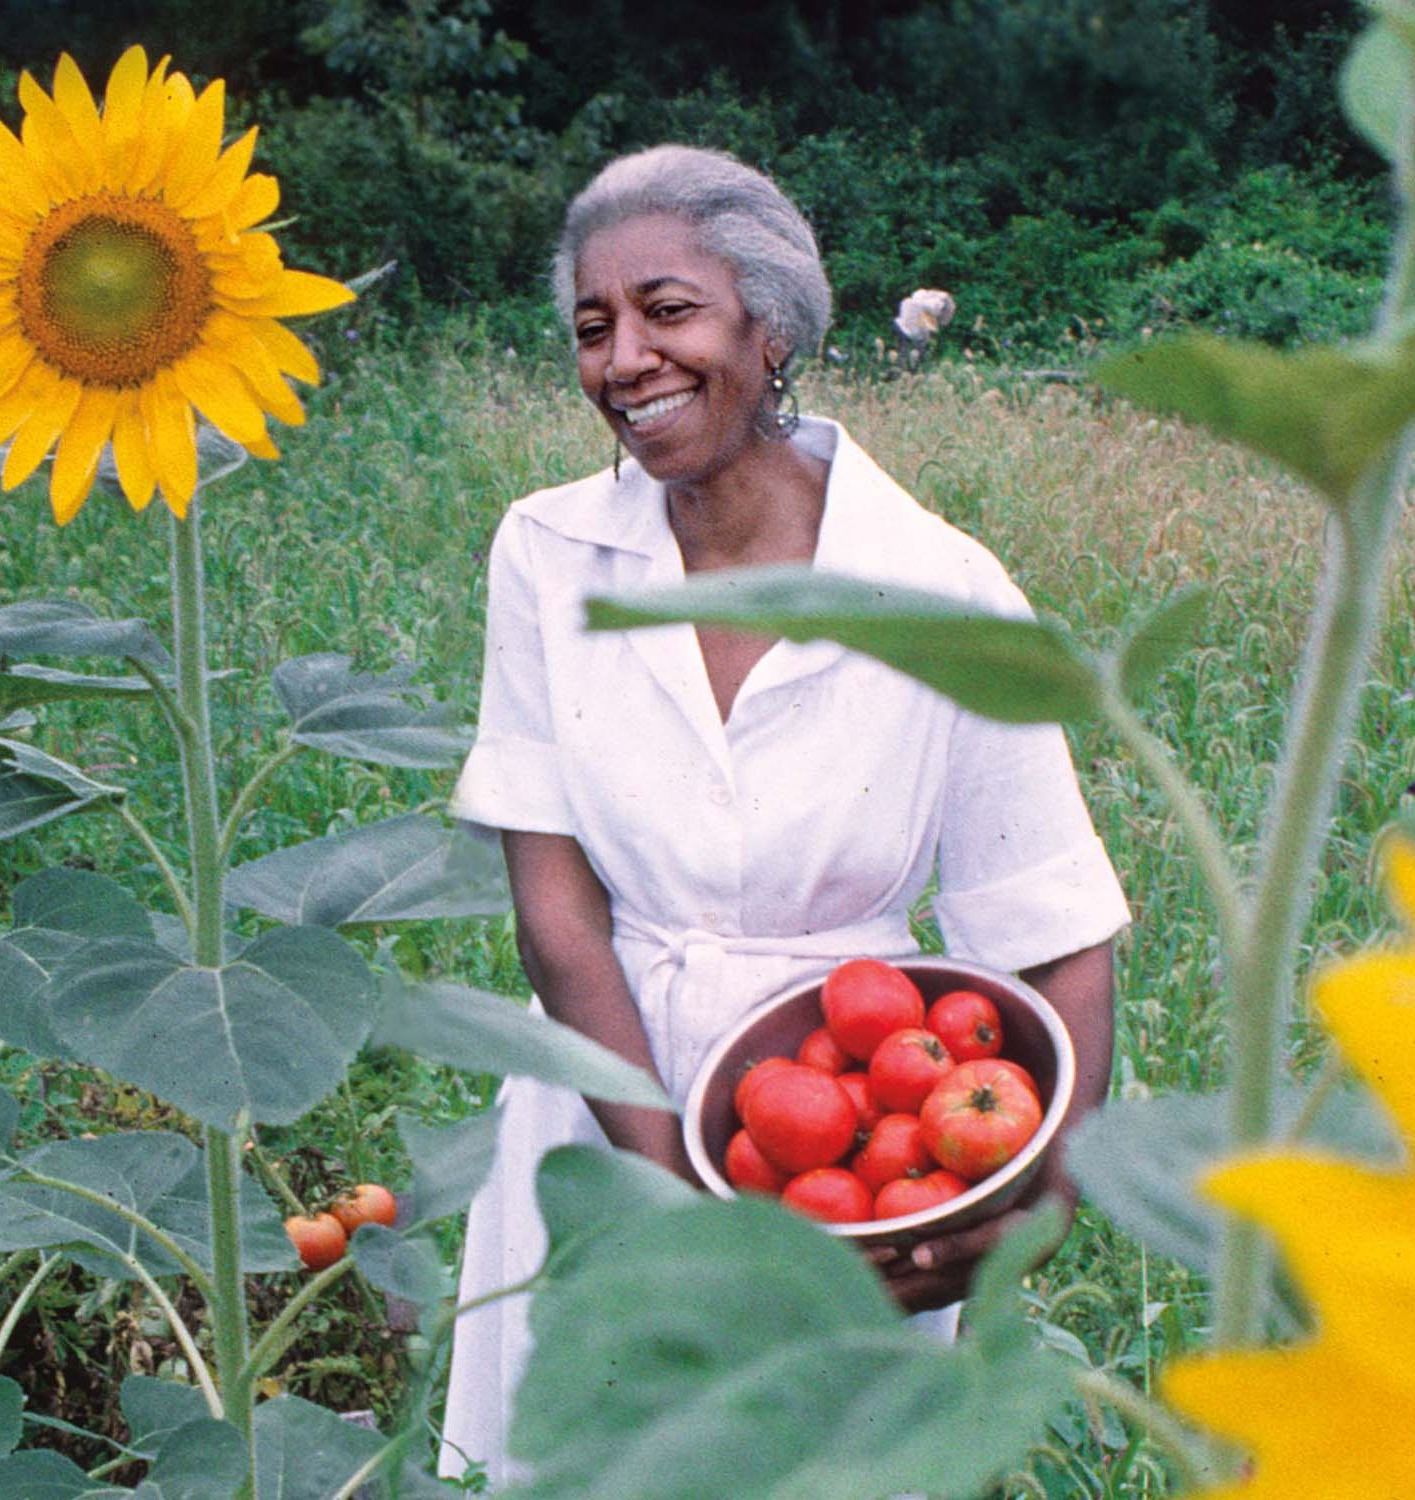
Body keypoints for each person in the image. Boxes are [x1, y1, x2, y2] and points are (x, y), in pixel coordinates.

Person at [436, 144, 1130, 1486]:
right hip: (605, 1100)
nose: (625, 357)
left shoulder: (937, 587)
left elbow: (1056, 929)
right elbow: (557, 906)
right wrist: (670, 1178)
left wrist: (1026, 1205)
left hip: (856, 1155)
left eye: (668, 310)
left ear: (773, 327)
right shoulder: (547, 549)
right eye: (594, 328)